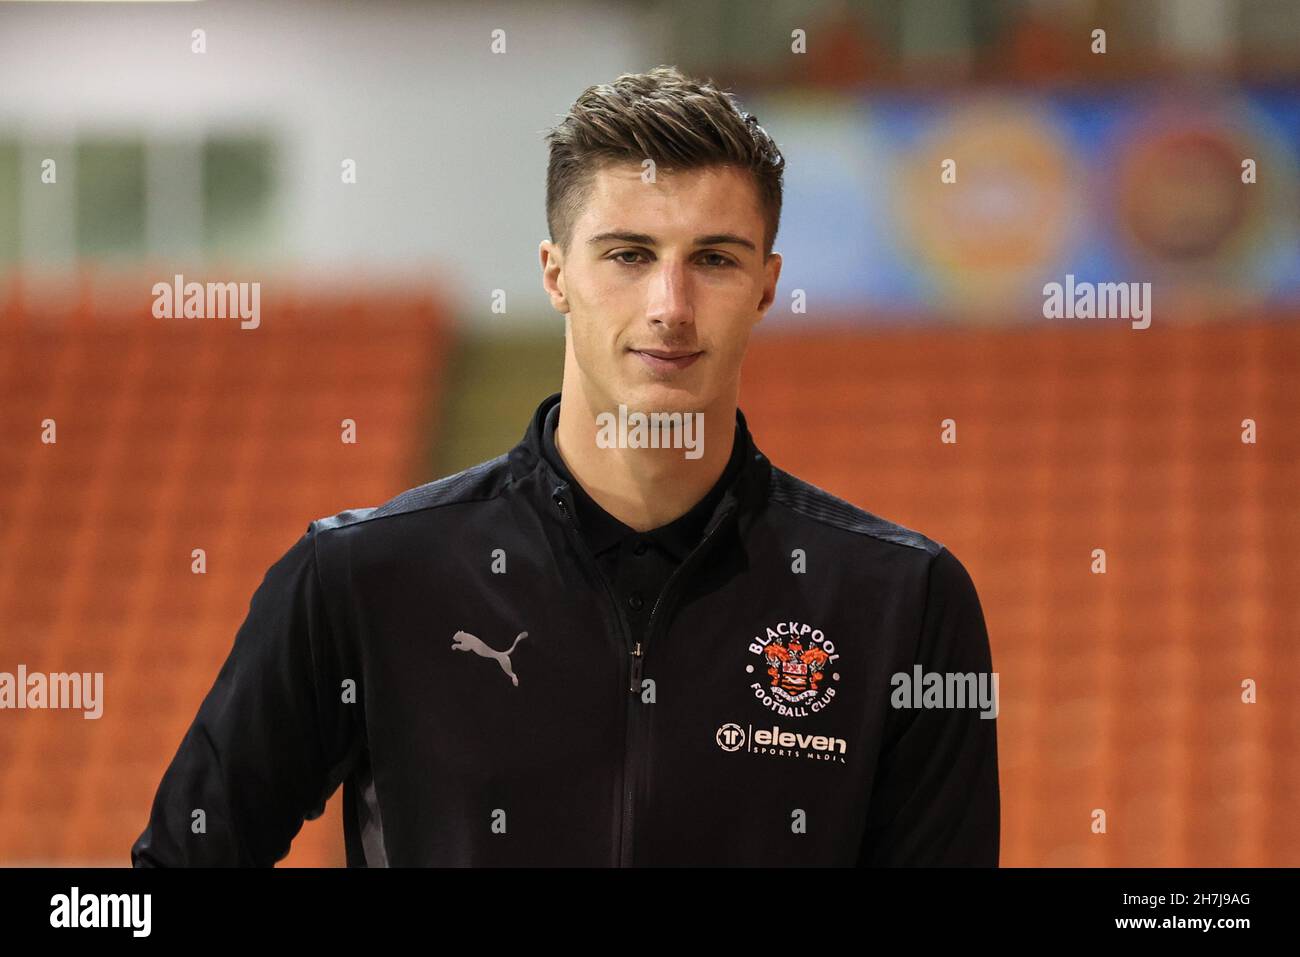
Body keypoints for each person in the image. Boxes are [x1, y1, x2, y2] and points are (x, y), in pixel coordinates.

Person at [132, 65, 999, 867]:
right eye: (628, 255)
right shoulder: (360, 579)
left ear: (767, 286)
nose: (671, 307)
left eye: (715, 260)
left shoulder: (903, 601)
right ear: (555, 274)